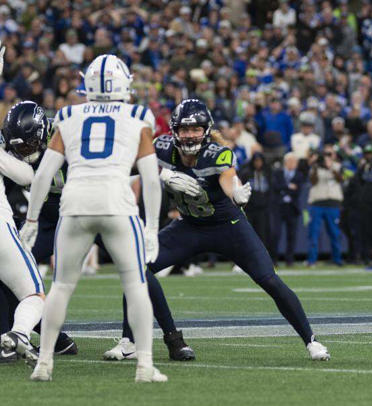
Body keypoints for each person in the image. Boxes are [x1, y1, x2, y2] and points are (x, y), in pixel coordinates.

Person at [101, 99, 330, 363]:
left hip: (227, 226)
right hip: (189, 226)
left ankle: (311, 340)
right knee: (137, 267)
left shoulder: (218, 153)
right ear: (174, 130)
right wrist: (160, 174)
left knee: (268, 279)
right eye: (184, 130)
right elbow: (128, 166)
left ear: (206, 130)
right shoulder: (161, 147)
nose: (189, 135)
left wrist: (237, 194)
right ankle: (130, 340)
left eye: (195, 129)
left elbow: (228, 181)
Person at [20, 55, 166, 382]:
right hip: (117, 203)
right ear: (124, 82)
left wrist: (31, 220)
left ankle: (44, 362)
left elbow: (43, 173)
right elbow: (151, 179)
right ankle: (144, 364)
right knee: (135, 284)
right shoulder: (138, 115)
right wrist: (153, 227)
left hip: (75, 205)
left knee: (60, 286)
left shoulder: (69, 114)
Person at [0, 101, 78, 362]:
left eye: (29, 145)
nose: (25, 151)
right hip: (37, 219)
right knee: (32, 292)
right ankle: (20, 335)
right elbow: (27, 176)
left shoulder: (68, 134)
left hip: (77, 214)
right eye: (19, 146)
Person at [307, 145, 344, 266]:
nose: (327, 157)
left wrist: (330, 168)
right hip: (317, 203)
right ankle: (312, 260)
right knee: (314, 233)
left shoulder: (338, 166)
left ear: (334, 155)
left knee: (335, 233)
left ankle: (337, 259)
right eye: (325, 154)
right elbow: (313, 181)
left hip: (333, 204)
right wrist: (316, 165)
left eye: (330, 154)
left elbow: (340, 179)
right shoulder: (315, 166)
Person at [271, 152, 304, 266]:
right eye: (290, 161)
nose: (293, 164)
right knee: (276, 234)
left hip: (292, 207)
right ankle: (273, 260)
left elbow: (298, 191)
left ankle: (289, 260)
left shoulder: (299, 175)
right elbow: (275, 187)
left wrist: (283, 188)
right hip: (279, 207)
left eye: (295, 162)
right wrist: (289, 187)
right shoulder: (278, 173)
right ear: (285, 162)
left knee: (292, 235)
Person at [238, 152, 272, 256]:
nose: (258, 163)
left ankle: (263, 257)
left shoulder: (267, 173)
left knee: (263, 234)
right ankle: (244, 258)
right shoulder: (246, 173)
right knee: (247, 234)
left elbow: (271, 189)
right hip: (249, 209)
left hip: (262, 209)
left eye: (260, 161)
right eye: (256, 161)